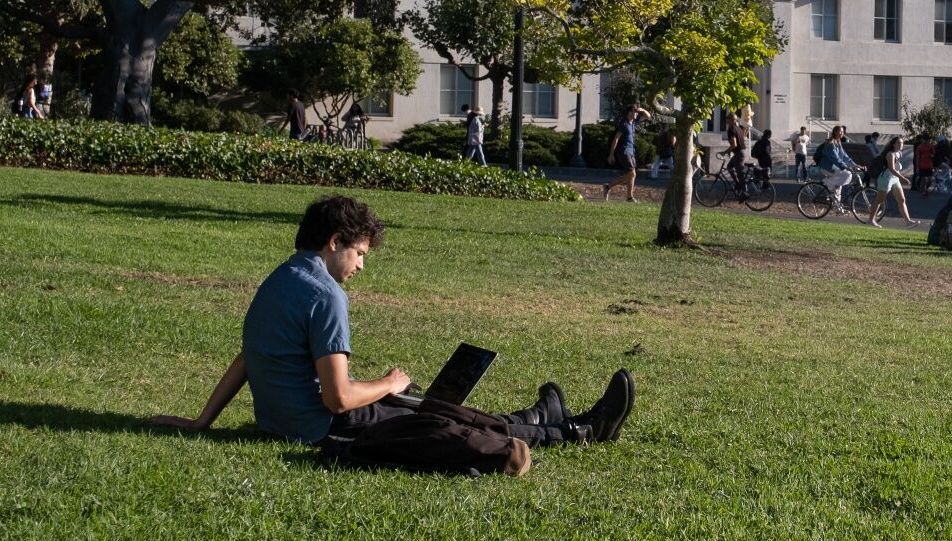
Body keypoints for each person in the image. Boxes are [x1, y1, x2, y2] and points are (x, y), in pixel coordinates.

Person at [152, 196, 635, 472]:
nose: (361, 265)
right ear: (334, 243)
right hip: (326, 427)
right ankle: (580, 429)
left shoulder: (279, 278)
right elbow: (340, 400)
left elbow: (247, 358)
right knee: (430, 410)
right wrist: (388, 382)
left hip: (286, 421)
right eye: (359, 253)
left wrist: (202, 423)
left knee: (433, 406)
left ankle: (541, 416)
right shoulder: (326, 294)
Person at [601, 106, 648, 201]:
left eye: (637, 113)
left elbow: (648, 116)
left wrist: (642, 110)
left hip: (631, 152)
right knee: (632, 173)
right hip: (624, 151)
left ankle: (608, 187)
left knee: (631, 175)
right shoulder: (624, 124)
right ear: (629, 112)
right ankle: (629, 197)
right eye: (635, 112)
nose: (636, 114)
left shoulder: (634, 122)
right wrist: (611, 154)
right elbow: (616, 139)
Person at [867, 135, 915, 228]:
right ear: (893, 144)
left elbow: (896, 169)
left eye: (902, 143)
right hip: (886, 179)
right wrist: (903, 178)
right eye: (898, 143)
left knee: (901, 200)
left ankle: (908, 221)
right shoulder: (890, 154)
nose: (901, 145)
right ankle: (871, 220)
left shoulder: (898, 153)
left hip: (894, 179)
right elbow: (892, 169)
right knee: (879, 200)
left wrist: (899, 177)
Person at [813, 126, 856, 193]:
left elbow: (845, 156)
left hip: (835, 167)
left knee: (838, 187)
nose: (842, 133)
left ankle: (834, 199)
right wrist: (845, 167)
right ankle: (826, 182)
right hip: (827, 167)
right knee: (847, 174)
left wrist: (855, 165)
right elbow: (835, 158)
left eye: (843, 131)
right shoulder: (830, 143)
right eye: (840, 131)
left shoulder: (838, 142)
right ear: (835, 132)